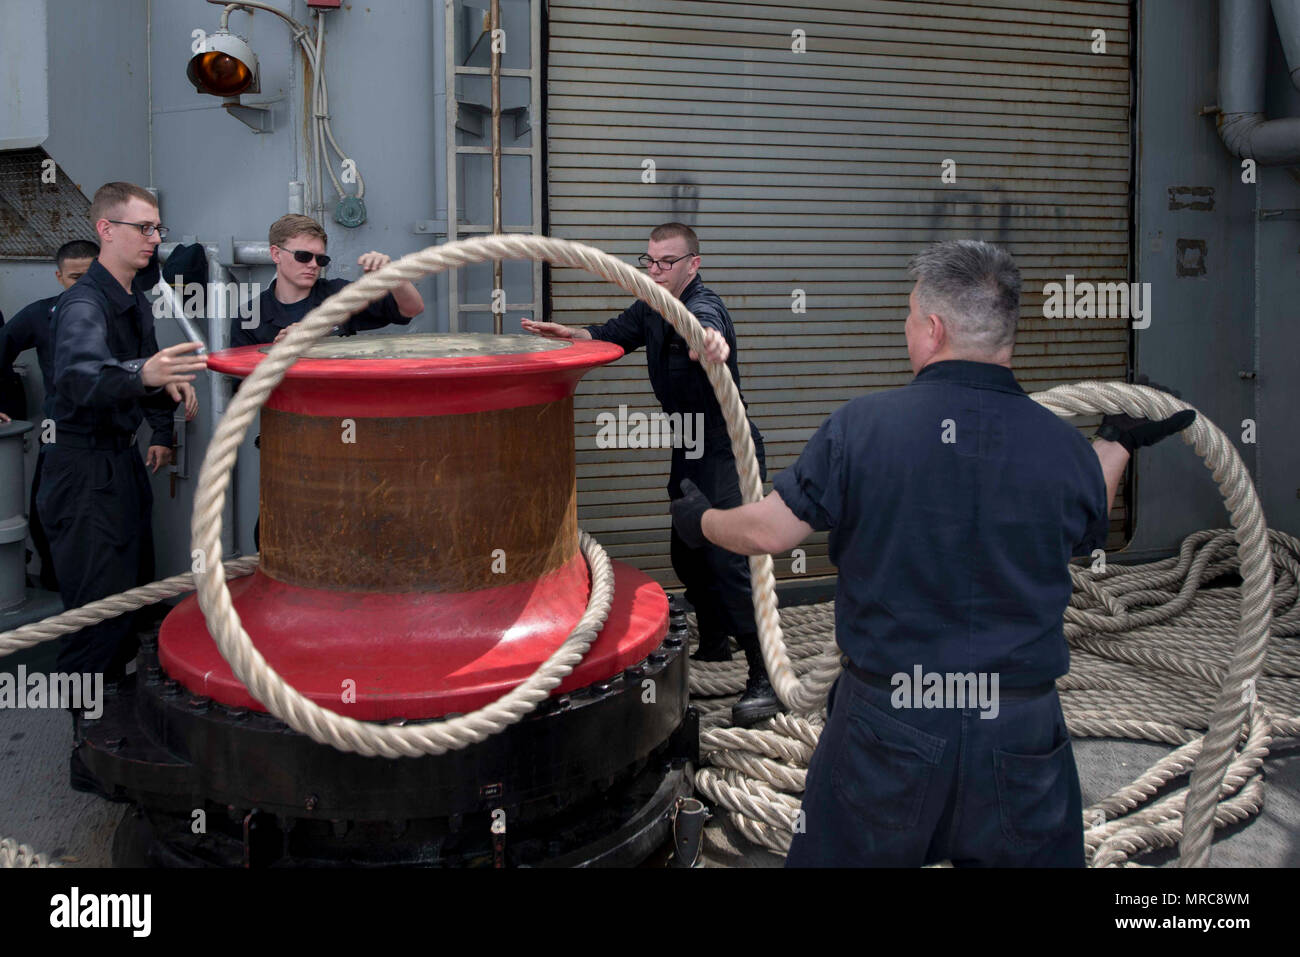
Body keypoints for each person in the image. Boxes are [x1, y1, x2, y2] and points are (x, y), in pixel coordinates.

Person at [671, 239, 1195, 866]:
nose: (905, 328)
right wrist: (1117, 441)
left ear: (935, 327)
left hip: (889, 724)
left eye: (910, 316)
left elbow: (770, 534)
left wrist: (702, 521)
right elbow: (1084, 521)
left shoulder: (862, 428)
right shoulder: (1059, 446)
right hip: (1018, 731)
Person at [522, 222, 780, 727]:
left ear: (692, 265)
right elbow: (613, 331)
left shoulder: (703, 307)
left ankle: (764, 674)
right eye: (649, 261)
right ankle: (715, 639)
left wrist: (712, 346)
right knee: (687, 549)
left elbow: (710, 332)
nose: (655, 271)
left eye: (666, 262)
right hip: (689, 446)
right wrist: (570, 335)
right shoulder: (650, 305)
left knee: (730, 562)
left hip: (727, 450)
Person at [40, 182, 205, 682]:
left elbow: (134, 370)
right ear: (106, 231)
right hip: (83, 472)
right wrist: (144, 375)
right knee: (95, 606)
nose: (154, 238)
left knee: (128, 590)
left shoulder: (131, 298)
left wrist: (162, 388)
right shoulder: (85, 306)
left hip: (118, 463)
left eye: (158, 228)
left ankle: (115, 696)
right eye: (143, 228)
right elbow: (77, 376)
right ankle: (87, 730)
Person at [0, 240, 101, 590]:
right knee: (48, 509)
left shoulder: (120, 313)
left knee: (110, 521)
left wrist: (163, 432)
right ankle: (55, 586)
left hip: (111, 436)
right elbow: (2, 345)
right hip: (56, 432)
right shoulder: (41, 315)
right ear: (59, 277)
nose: (84, 284)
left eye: (91, 275)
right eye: (75, 277)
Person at [229, 213, 424, 348]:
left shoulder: (338, 294)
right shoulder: (250, 316)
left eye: (321, 259)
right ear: (276, 254)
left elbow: (411, 308)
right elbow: (244, 385)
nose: (314, 264)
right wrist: (276, 352)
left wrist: (394, 275)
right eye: (304, 256)